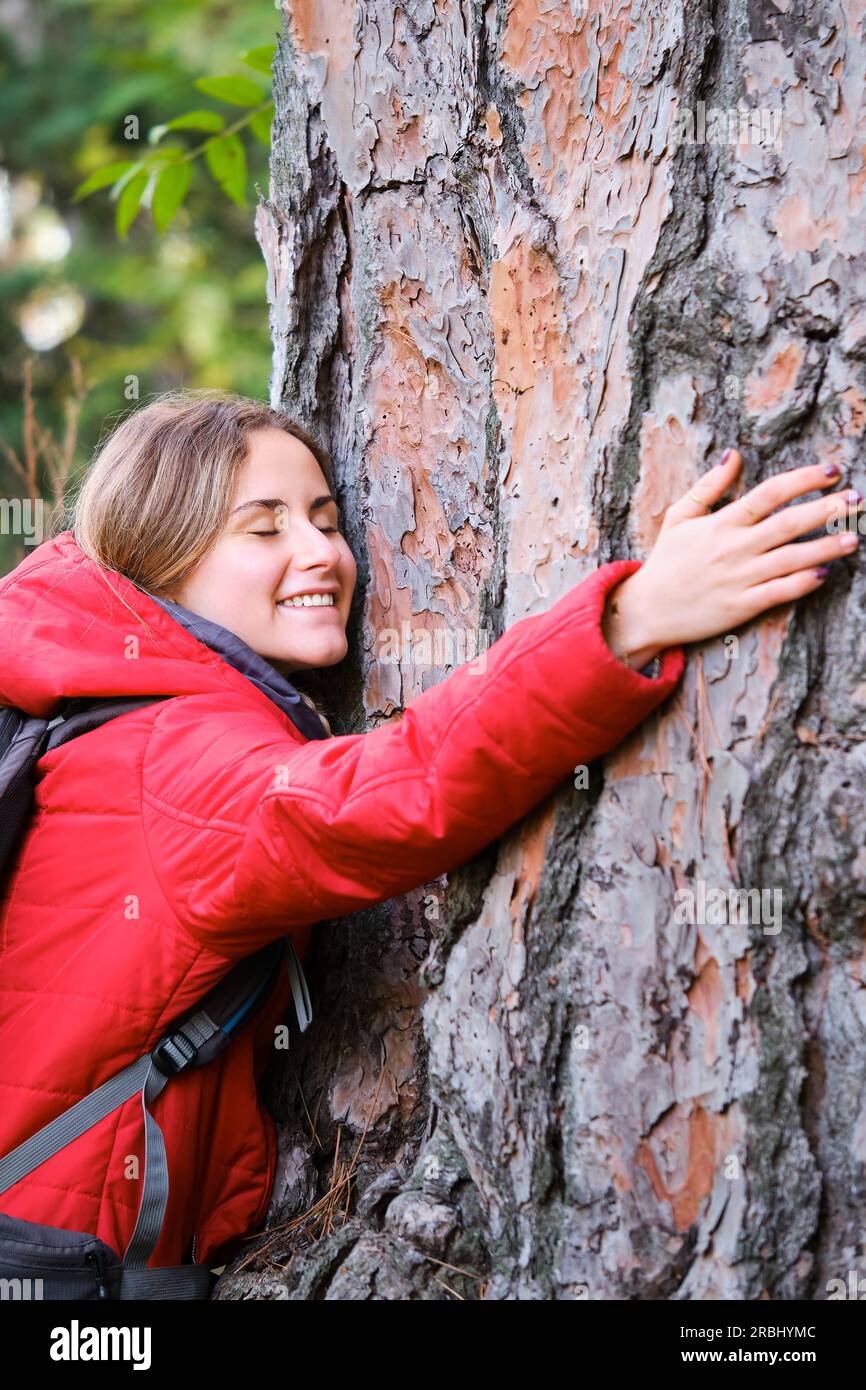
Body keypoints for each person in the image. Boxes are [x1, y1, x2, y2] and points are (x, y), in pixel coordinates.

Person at [0, 388, 858, 1294]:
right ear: (160, 561)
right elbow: (388, 796)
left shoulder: (95, 716)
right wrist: (629, 618)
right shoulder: (167, 753)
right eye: (264, 529)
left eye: (326, 519)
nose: (320, 553)